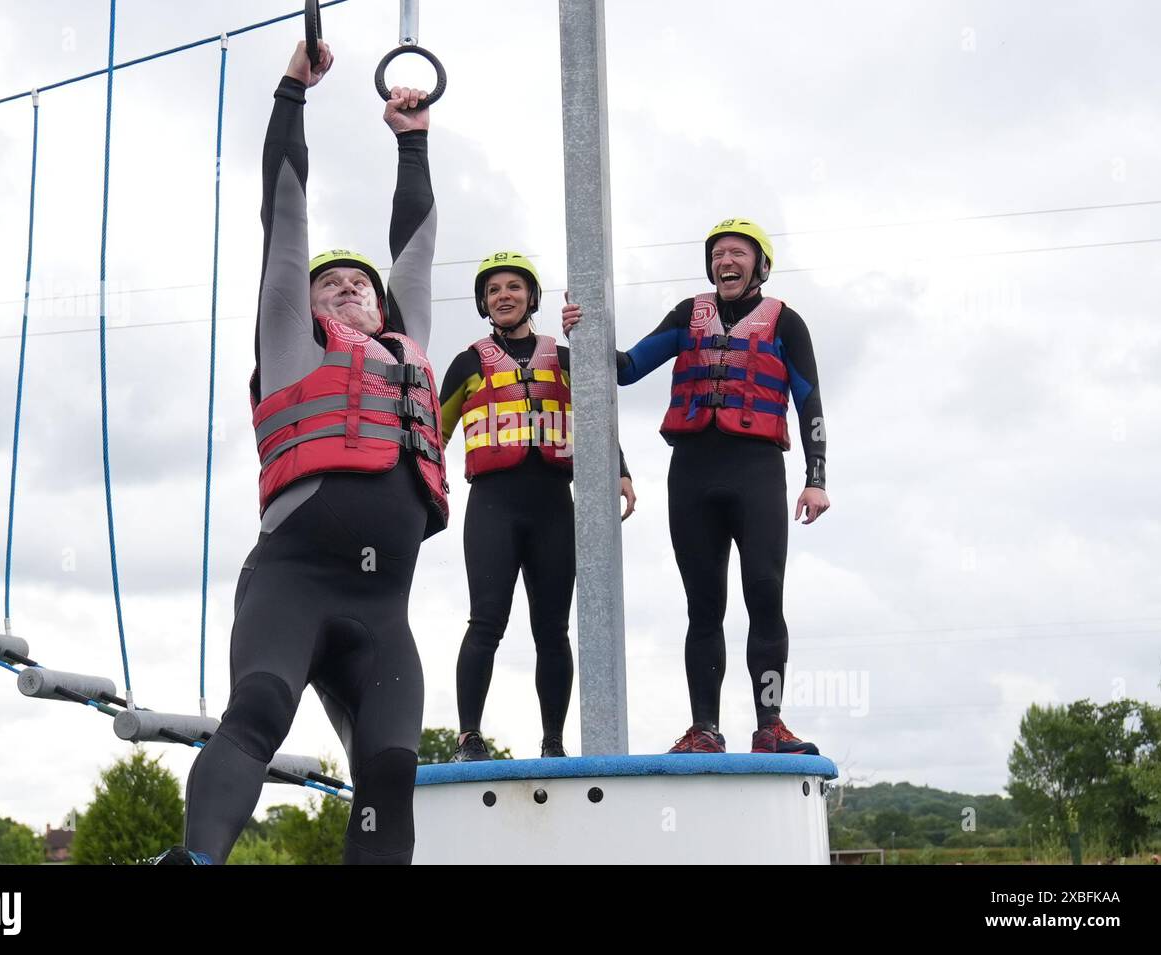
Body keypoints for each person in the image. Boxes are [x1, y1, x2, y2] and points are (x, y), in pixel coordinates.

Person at [166, 39, 446, 865]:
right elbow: (285, 219)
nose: (349, 286)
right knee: (258, 710)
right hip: (292, 585)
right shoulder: (291, 340)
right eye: (333, 282)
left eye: (361, 280)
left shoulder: (410, 349)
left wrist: (413, 138)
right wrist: (293, 93)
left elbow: (419, 246)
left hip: (383, 610)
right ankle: (199, 862)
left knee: (391, 770)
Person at [562, 218, 829, 755]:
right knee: (703, 608)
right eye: (717, 254)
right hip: (692, 475)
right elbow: (628, 368)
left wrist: (816, 478)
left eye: (737, 253)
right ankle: (704, 727)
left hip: (756, 474)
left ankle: (770, 725)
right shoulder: (689, 315)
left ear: (760, 265)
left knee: (765, 598)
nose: (725, 262)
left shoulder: (786, 322)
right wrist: (582, 331)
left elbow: (810, 401)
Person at [437, 252, 635, 761]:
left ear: (532, 297)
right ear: (484, 303)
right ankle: (469, 738)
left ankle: (553, 744)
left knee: (553, 629)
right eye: (494, 290)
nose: (504, 296)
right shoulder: (470, 362)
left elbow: (598, 414)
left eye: (514, 287)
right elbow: (432, 433)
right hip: (491, 507)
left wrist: (620, 469)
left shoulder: (566, 357)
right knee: (486, 623)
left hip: (552, 505)